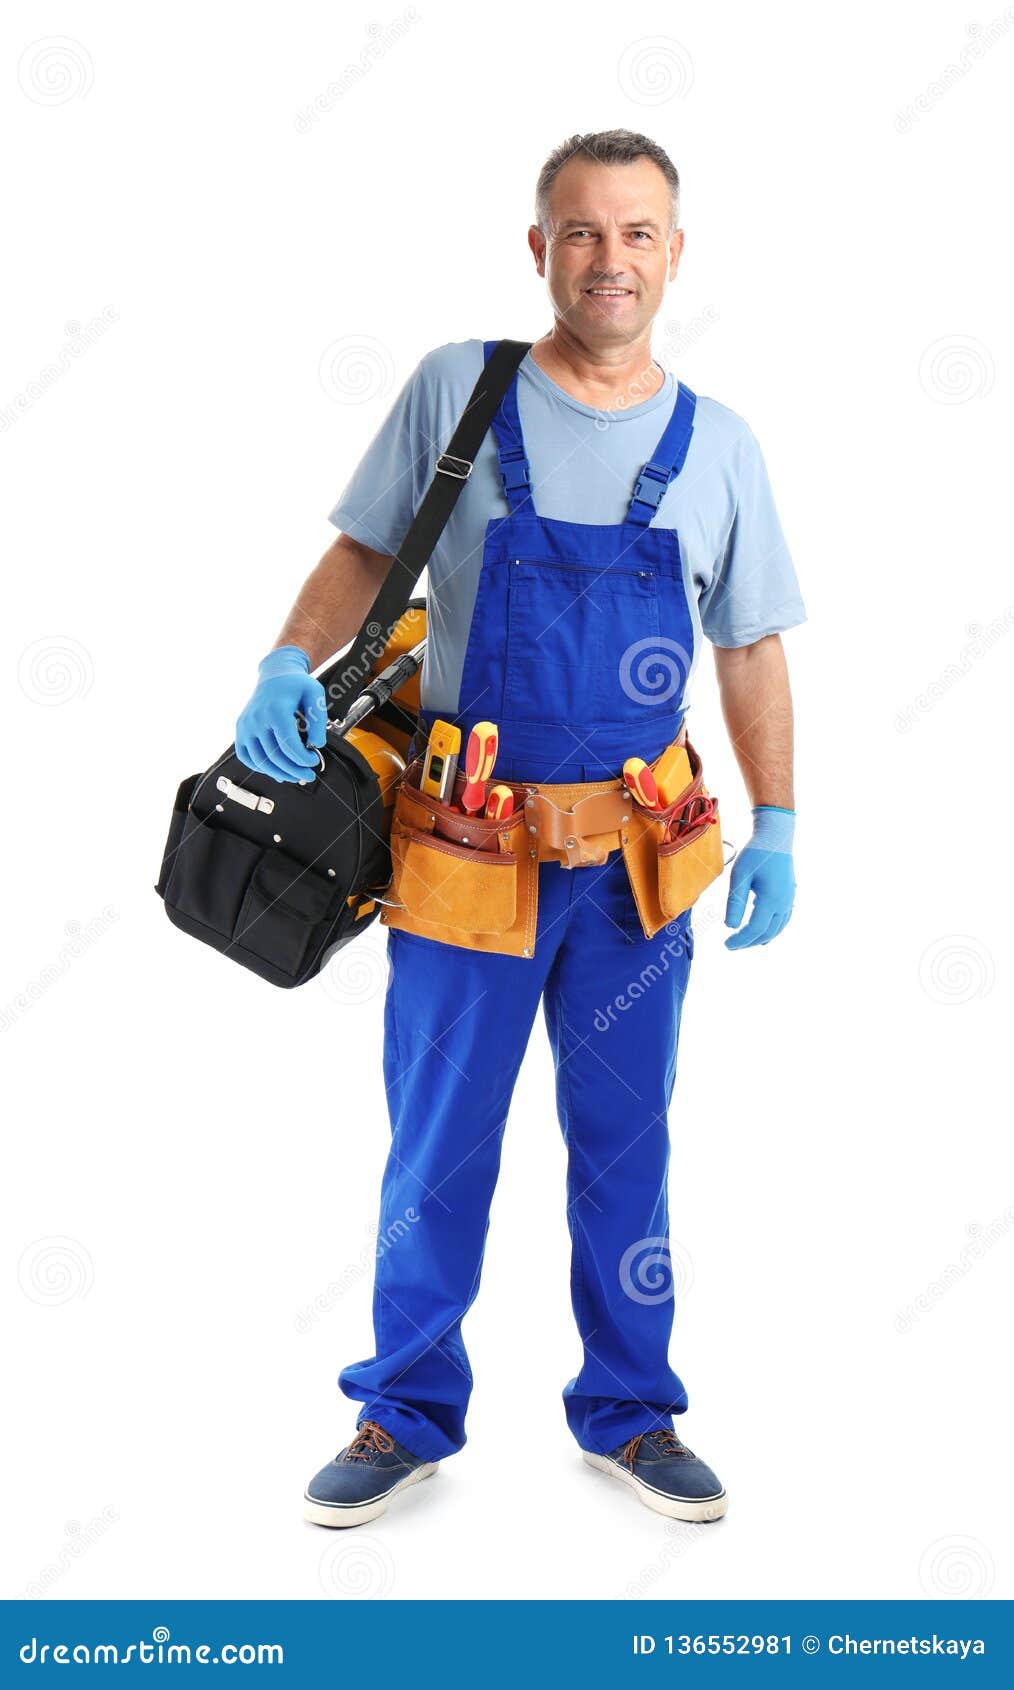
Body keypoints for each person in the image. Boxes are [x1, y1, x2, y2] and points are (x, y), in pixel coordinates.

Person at [235, 129, 805, 1528]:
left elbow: (747, 649)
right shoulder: (462, 387)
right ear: (537, 248)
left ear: (675, 253)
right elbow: (368, 550)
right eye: (578, 230)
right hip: (460, 855)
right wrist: (280, 664)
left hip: (634, 867)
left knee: (627, 1145)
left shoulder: (720, 446)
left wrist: (779, 817)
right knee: (436, 1143)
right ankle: (403, 1409)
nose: (607, 257)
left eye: (635, 232)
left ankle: (629, 1407)